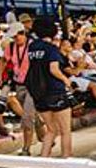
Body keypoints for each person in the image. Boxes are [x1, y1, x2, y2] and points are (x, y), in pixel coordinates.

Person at [25, 16, 73, 158]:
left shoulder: (32, 48)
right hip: (55, 90)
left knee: (51, 130)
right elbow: (54, 69)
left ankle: (44, 162)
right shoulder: (51, 49)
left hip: (39, 93)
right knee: (65, 130)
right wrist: (66, 80)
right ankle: (67, 161)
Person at [0, 22, 41, 154]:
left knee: (26, 116)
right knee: (30, 113)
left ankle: (26, 148)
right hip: (19, 84)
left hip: (33, 85)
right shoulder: (11, 47)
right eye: (14, 37)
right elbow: (3, 60)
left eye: (17, 36)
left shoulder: (33, 45)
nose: (16, 39)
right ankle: (40, 128)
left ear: (23, 33)